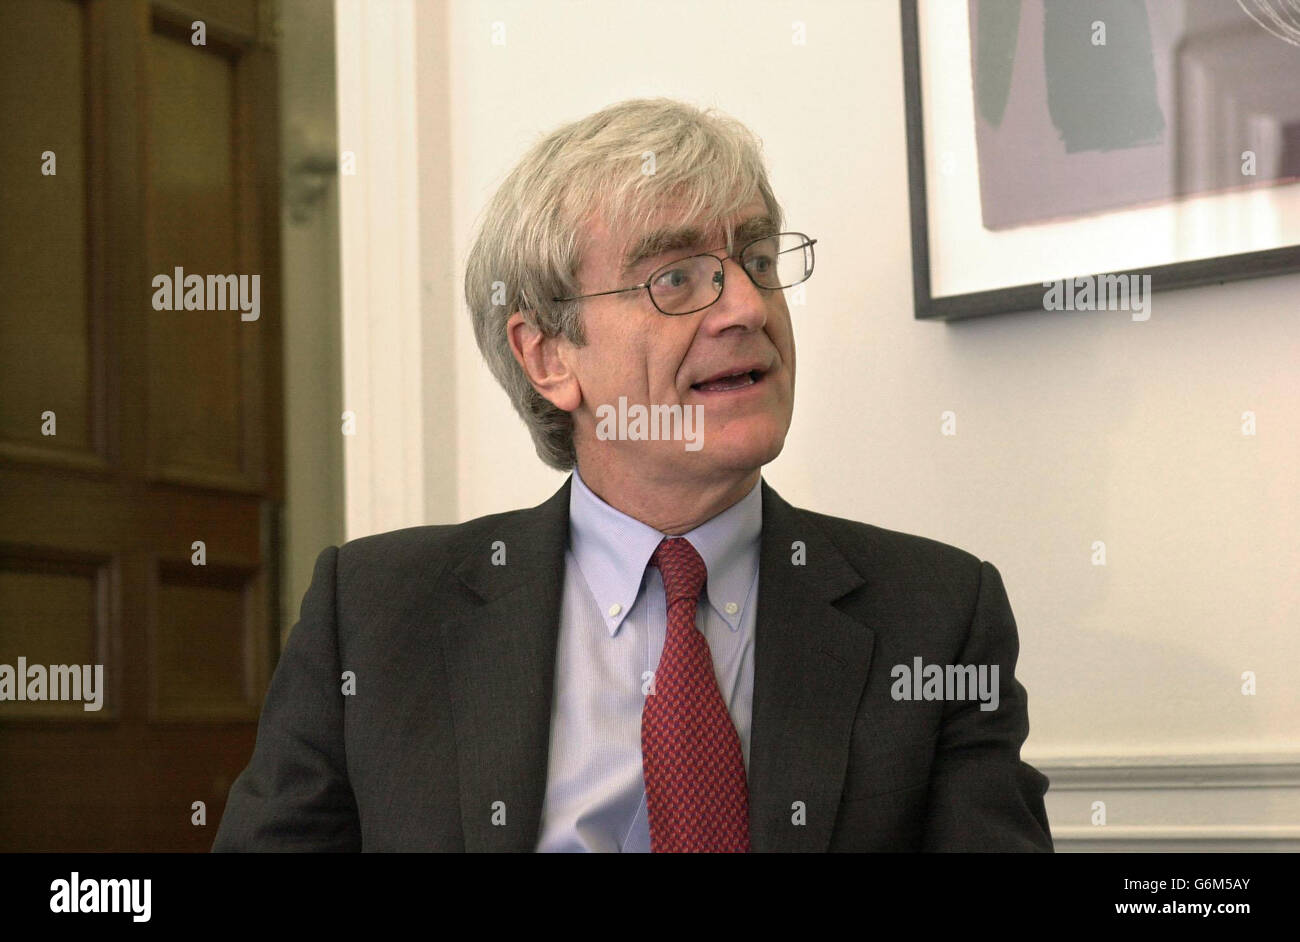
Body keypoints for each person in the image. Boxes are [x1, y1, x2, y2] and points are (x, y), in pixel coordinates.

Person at [213, 97, 1053, 852]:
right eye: (677, 278)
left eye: (756, 259)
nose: (748, 308)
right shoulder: (373, 611)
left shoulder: (935, 614)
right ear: (547, 356)